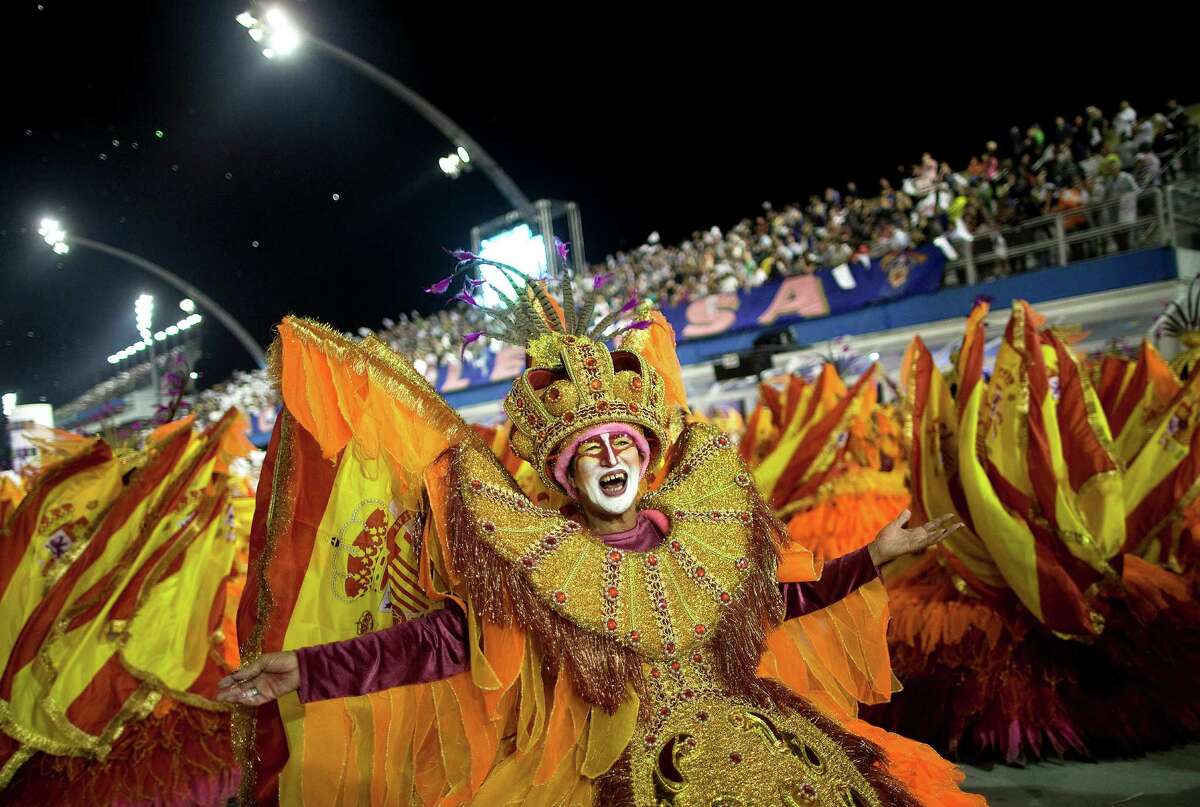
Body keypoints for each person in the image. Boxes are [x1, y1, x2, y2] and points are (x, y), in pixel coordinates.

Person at [220, 254, 983, 806]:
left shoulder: (704, 537)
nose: (610, 459)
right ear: (564, 474)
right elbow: (442, 644)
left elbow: (773, 607)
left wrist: (874, 556)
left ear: (647, 460)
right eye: (591, 451)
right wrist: (307, 669)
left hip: (767, 742)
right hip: (616, 775)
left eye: (624, 445)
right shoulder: (540, 564)